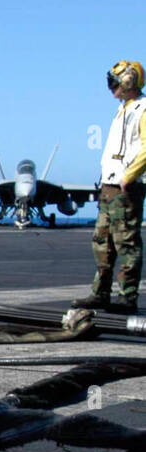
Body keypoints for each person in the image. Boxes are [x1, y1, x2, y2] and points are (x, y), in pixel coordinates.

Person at [72, 60, 146, 314]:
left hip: (126, 188)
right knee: (102, 242)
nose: (112, 86)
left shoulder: (142, 108)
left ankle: (127, 297)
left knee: (126, 243)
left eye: (116, 81)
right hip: (109, 186)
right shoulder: (123, 109)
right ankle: (100, 293)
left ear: (129, 81)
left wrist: (129, 176)